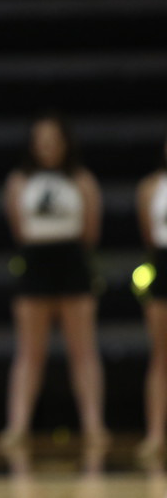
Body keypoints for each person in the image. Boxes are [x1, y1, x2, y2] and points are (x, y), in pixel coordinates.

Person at [0, 113, 109, 450]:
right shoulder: (19, 181)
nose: (47, 146)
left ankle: (93, 426)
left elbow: (91, 231)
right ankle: (17, 427)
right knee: (30, 353)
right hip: (35, 265)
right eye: (41, 140)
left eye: (53, 140)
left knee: (83, 351)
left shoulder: (82, 179)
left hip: (73, 264)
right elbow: (18, 230)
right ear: (33, 144)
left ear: (65, 143)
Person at [134, 136, 167, 462]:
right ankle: (156, 433)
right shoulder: (151, 187)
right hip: (163, 267)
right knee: (161, 355)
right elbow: (149, 234)